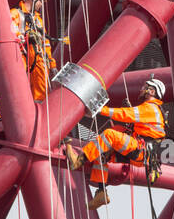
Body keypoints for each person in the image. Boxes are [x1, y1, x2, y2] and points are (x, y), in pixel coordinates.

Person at [66, 77, 166, 210]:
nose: (141, 89)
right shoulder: (150, 109)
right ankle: (101, 192)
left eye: (145, 87)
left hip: (140, 149)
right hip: (140, 151)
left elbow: (125, 114)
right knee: (102, 152)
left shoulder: (151, 108)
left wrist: (101, 110)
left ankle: (79, 160)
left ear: (151, 91)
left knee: (109, 135)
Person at [0, 0, 68, 123]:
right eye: (41, 1)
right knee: (11, 83)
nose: (41, 5)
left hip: (37, 59)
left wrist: (52, 65)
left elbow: (45, 45)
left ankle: (40, 121)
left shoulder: (38, 21)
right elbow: (5, 32)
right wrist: (23, 37)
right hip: (19, 55)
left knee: (42, 91)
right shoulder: (15, 14)